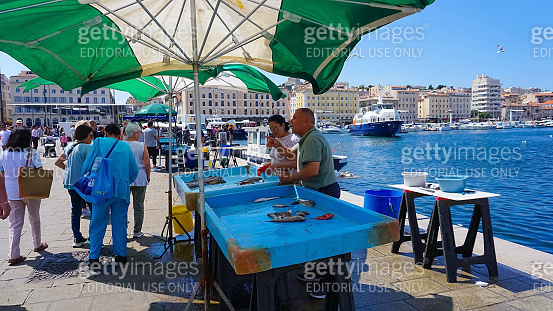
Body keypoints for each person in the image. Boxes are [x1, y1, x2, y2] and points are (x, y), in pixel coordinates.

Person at [83, 124, 138, 266]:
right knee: (120, 223)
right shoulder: (125, 146)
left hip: (101, 189)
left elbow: (87, 165)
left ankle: (94, 256)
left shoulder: (99, 142)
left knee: (97, 222)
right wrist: (124, 181)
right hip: (121, 190)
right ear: (119, 133)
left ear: (106, 132)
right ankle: (121, 255)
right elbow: (134, 170)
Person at [266, 108, 340, 198]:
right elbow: (290, 154)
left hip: (324, 190)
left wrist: (290, 177)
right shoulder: (307, 138)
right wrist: (277, 145)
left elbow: (312, 171)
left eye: (294, 118)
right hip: (320, 189)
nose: (290, 121)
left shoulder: (312, 139)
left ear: (305, 121)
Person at [1, 128, 48, 265]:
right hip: (29, 190)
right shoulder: (31, 152)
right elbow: (40, 171)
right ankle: (37, 244)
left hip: (12, 192)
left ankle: (13, 253)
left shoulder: (4, 153)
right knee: (34, 218)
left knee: (14, 223)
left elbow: (1, 173)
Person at [54, 125, 93, 247]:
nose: (92, 138)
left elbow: (58, 162)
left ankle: (77, 237)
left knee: (75, 210)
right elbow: (92, 166)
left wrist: (69, 170)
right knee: (93, 209)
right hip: (84, 183)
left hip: (70, 183)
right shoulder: (87, 148)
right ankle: (92, 237)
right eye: (90, 136)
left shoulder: (70, 146)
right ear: (85, 136)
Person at [124, 123, 151, 238]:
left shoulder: (122, 145)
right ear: (135, 133)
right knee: (139, 205)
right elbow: (147, 163)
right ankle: (137, 230)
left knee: (123, 206)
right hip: (139, 177)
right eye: (140, 132)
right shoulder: (141, 146)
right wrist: (148, 175)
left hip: (124, 178)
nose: (141, 134)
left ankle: (122, 230)